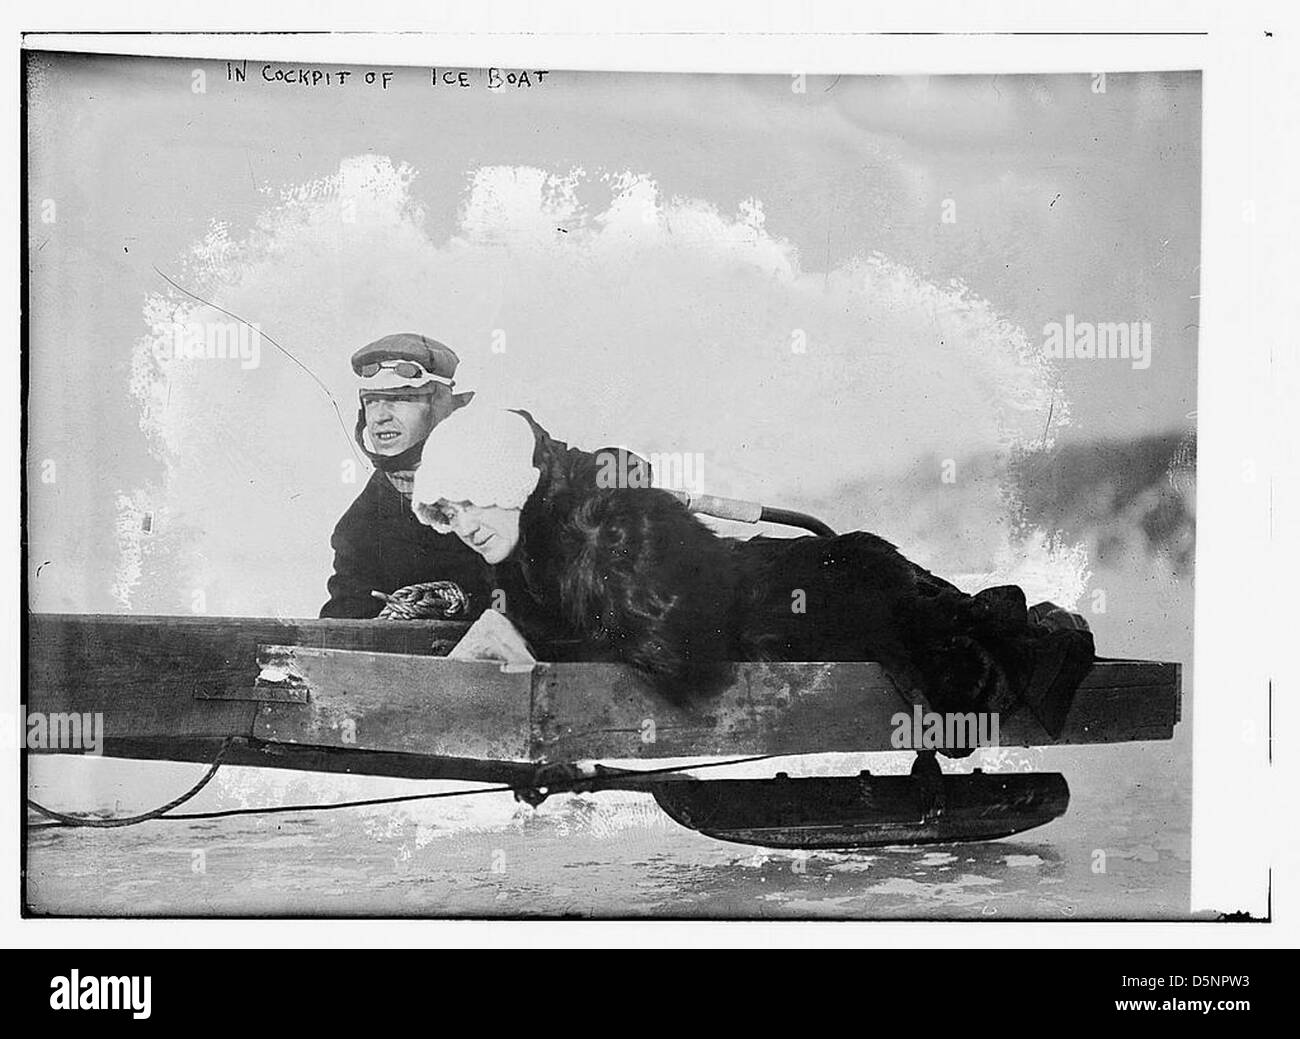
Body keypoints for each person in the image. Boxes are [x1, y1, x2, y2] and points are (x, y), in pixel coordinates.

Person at [411, 407, 1096, 740]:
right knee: (899, 586)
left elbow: (682, 659)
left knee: (915, 614)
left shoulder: (595, 530)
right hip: (775, 588)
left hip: (795, 610)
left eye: (471, 498)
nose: (464, 521)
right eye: (449, 509)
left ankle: (1041, 649)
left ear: (507, 482)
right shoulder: (535, 543)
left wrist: (537, 649)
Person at [320, 333, 650, 620]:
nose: (379, 417)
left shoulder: (508, 445)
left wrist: (564, 500)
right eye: (371, 401)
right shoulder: (362, 528)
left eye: (399, 399)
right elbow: (343, 630)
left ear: (451, 405)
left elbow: (627, 470)